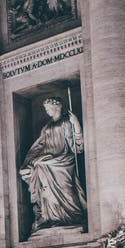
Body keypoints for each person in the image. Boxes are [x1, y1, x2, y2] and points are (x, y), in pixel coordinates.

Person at [19, 96, 86, 234]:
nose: (46, 111)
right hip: (47, 159)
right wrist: (30, 160)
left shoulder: (66, 123)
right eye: (46, 109)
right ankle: (50, 217)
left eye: (48, 108)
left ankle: (71, 217)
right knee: (40, 172)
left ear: (56, 108)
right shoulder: (47, 126)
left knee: (66, 189)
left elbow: (74, 146)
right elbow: (39, 145)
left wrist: (77, 124)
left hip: (62, 159)